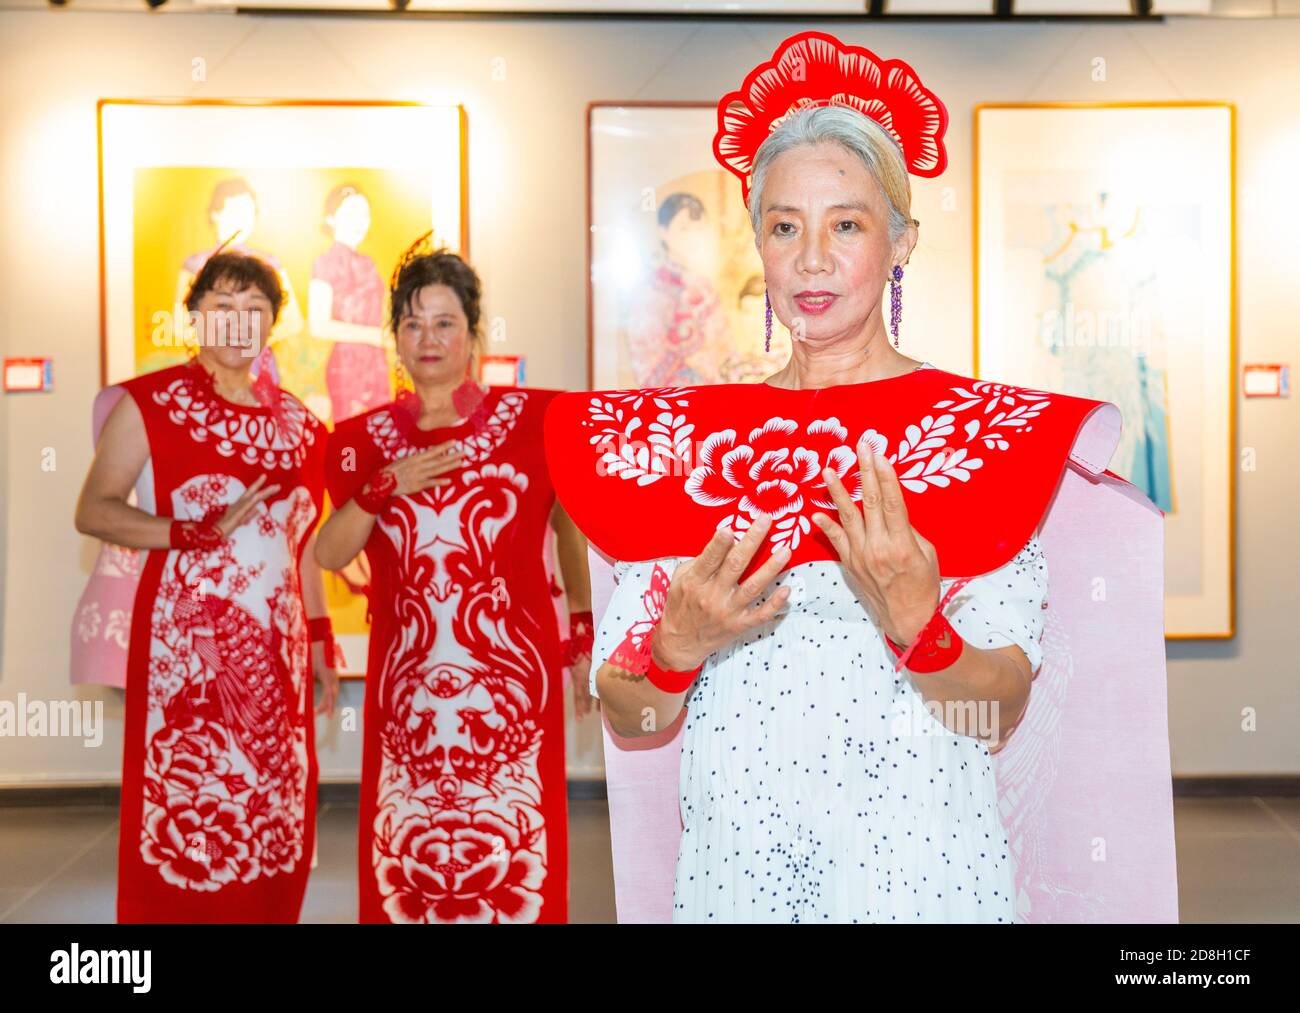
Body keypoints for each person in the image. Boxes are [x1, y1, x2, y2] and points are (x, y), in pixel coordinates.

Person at [544, 31, 1151, 923]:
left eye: (848, 225)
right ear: (759, 242)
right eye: (786, 226)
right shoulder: (691, 445)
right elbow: (631, 718)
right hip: (740, 869)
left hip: (921, 865)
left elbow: (1003, 703)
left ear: (901, 242)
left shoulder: (979, 438)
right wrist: (672, 650)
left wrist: (918, 623)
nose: (814, 257)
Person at [316, 236, 594, 923]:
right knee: (408, 855)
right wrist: (385, 485)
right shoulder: (360, 440)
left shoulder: (537, 421)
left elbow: (569, 525)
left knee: (515, 847)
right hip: (405, 686)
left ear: (473, 333)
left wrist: (582, 626)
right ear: (395, 339)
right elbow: (327, 551)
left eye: (444, 322)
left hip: (510, 682)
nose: (428, 338)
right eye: (411, 323)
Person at [75, 249, 339, 923]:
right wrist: (189, 531)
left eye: (254, 310)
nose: (237, 323)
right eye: (221, 306)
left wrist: (317, 633)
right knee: (190, 791)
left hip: (275, 652)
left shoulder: (302, 427)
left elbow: (302, 539)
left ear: (272, 326)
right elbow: (95, 508)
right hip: (184, 648)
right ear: (193, 317)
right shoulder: (149, 403)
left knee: (271, 795)